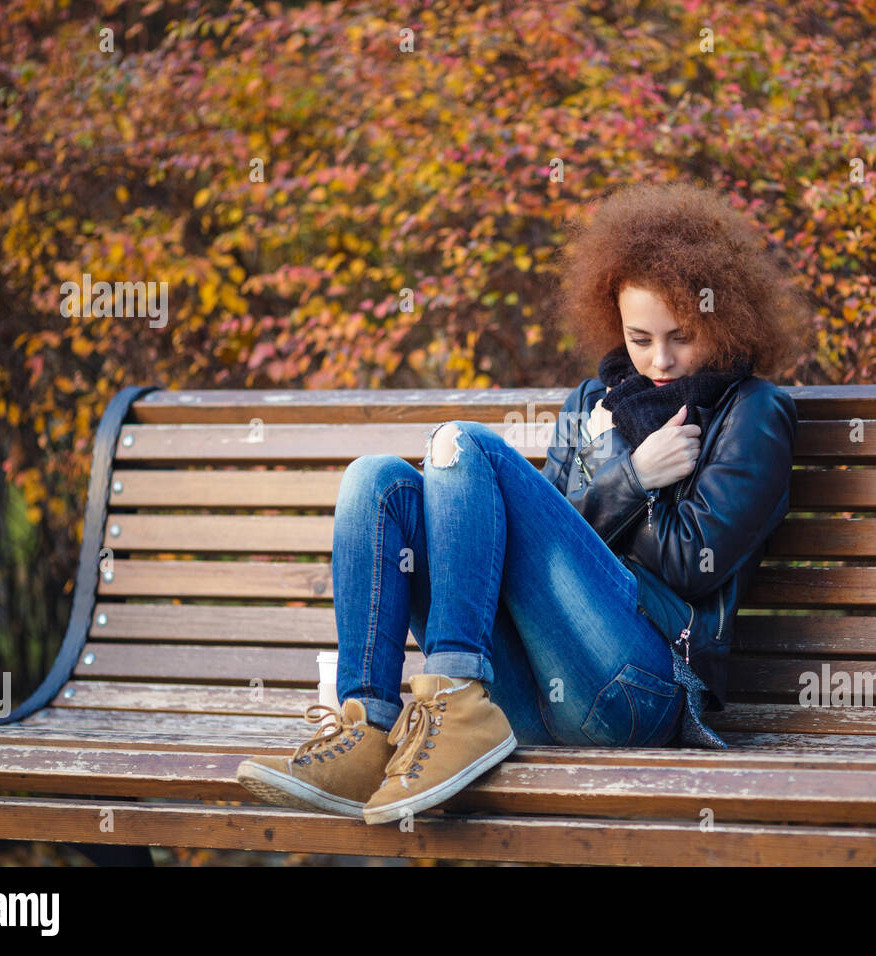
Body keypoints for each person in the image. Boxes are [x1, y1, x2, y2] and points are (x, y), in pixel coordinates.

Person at [236, 181, 809, 825]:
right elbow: (534, 554)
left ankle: (451, 692)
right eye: (640, 338)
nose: (660, 361)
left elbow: (689, 567)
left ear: (722, 317)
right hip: (529, 694)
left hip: (641, 690)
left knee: (463, 444)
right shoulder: (592, 404)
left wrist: (628, 484)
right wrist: (633, 476)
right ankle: (369, 727)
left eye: (681, 337)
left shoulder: (754, 413)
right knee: (379, 482)